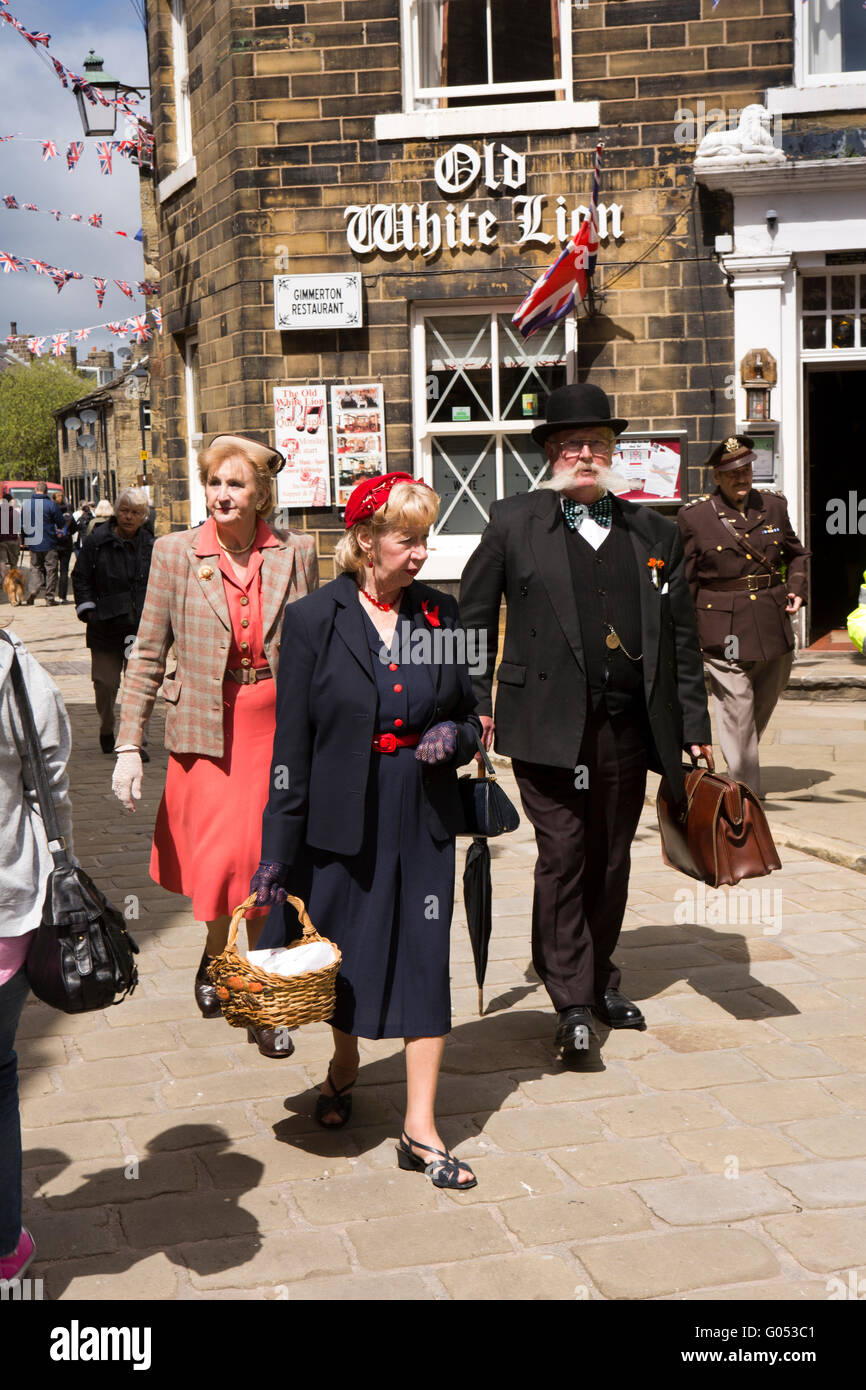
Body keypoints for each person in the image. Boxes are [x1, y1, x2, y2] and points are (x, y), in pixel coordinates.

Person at [459, 384, 712, 1058]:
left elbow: (681, 640)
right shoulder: (514, 521)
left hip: (628, 730)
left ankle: (600, 978)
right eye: (571, 443)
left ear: (613, 451)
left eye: (597, 442)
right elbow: (474, 617)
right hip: (545, 724)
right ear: (549, 453)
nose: (585, 453)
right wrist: (474, 702)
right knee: (565, 856)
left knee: (610, 859)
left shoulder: (655, 532)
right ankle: (569, 1001)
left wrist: (694, 728)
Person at [252, 473, 481, 1190]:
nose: (420, 554)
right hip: (340, 817)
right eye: (406, 540)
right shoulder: (315, 619)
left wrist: (456, 732)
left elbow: (476, 713)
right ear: (365, 542)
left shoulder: (443, 617)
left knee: (423, 955)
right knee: (341, 958)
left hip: (423, 811)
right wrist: (274, 859)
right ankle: (346, 1063)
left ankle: (420, 1127)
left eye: (424, 539)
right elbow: (291, 749)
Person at [111, 435, 318, 1055]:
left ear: (261, 493)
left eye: (236, 484)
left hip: (275, 723)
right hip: (203, 724)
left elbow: (316, 647)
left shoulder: (296, 552)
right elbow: (148, 650)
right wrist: (128, 746)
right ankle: (213, 955)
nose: (222, 495)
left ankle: (256, 998)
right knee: (216, 865)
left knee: (260, 859)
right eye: (215, 483)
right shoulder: (175, 553)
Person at [0, 614, 73, 1285]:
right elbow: (50, 785)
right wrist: (67, 870)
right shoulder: (16, 668)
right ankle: (3, 1248)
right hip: (9, 908)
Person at [676, 434, 810, 798]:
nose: (742, 477)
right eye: (733, 472)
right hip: (722, 628)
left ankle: (740, 761)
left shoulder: (774, 507)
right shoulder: (694, 518)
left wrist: (797, 586)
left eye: (747, 469)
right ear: (717, 477)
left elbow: (797, 555)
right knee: (737, 709)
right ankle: (745, 798)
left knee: (756, 709)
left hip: (772, 625)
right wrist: (683, 635)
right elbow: (686, 580)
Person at [72, 488, 156, 755]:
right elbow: (81, 577)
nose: (129, 517)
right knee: (105, 684)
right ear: (117, 512)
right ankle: (107, 725)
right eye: (124, 511)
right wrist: (88, 610)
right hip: (105, 625)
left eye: (135, 512)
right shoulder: (97, 541)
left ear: (144, 516)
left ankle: (134, 739)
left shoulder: (152, 545)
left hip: (138, 628)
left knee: (137, 684)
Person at [20, 482, 64, 607]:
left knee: (35, 567)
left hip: (33, 542)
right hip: (49, 541)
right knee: (51, 569)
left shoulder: (27, 505)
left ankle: (33, 590)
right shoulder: (51, 505)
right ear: (46, 491)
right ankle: (49, 598)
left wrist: (23, 540)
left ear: (35, 490)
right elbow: (60, 523)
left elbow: (23, 525)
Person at [54, 492, 75, 604]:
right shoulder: (68, 513)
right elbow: (75, 528)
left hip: (54, 544)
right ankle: (62, 596)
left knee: (52, 570)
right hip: (66, 545)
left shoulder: (52, 511)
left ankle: (51, 595)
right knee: (64, 571)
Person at [0, 496, 21, 578]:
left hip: (1, 540)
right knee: (14, 562)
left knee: (2, 561)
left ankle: (4, 579)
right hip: (13, 540)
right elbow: (19, 527)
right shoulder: (15, 513)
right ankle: (13, 579)